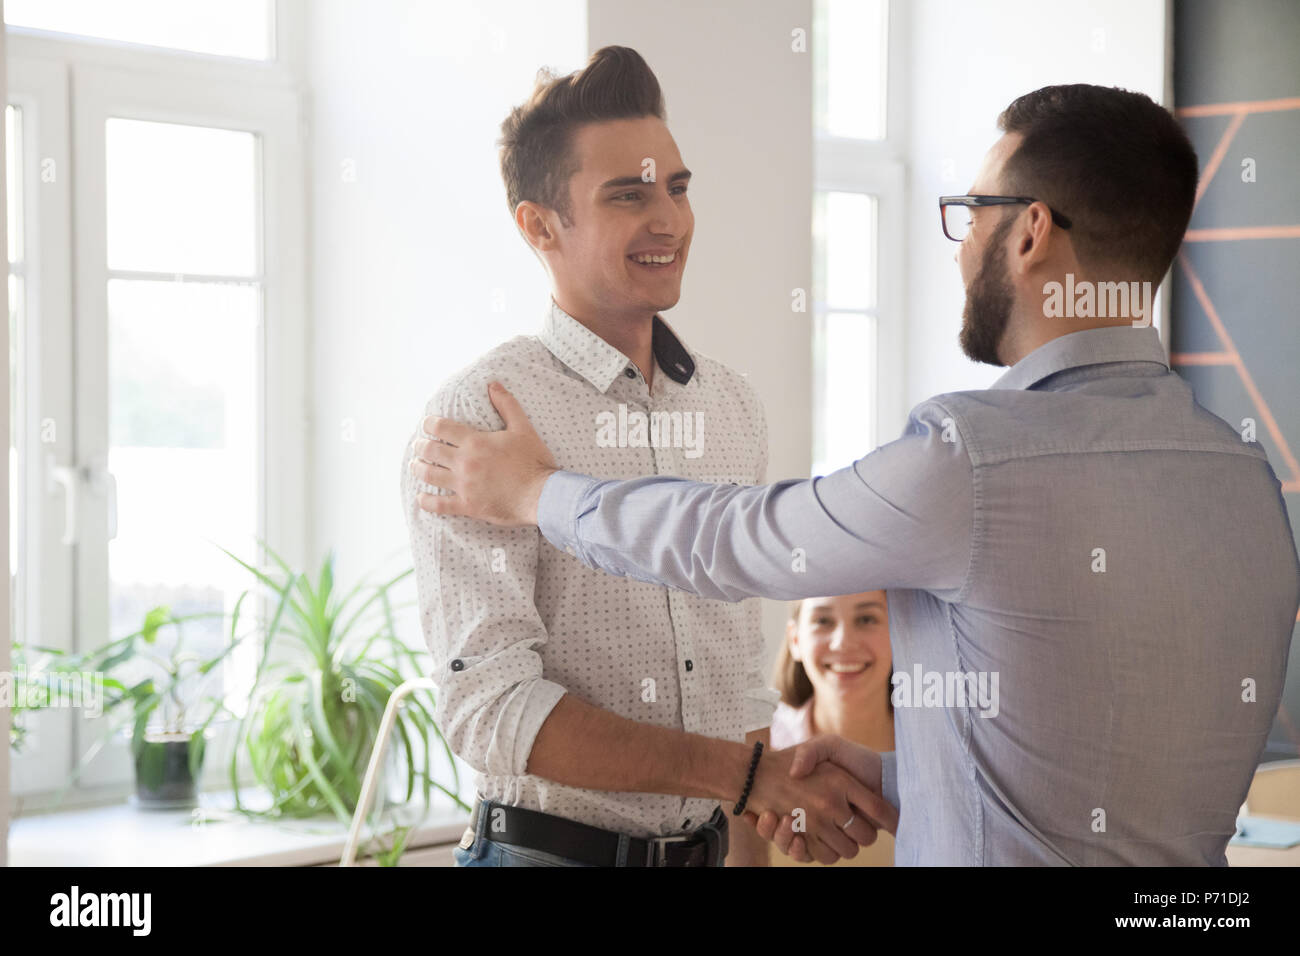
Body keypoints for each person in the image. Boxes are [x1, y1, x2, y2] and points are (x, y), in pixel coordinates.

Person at [408, 83, 1300, 865]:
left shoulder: (970, 459)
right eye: (629, 194)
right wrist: (888, 780)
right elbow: (1095, 767)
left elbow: (736, 541)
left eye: (972, 214)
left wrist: (536, 494)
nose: (959, 249)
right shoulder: (1246, 480)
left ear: (1030, 234)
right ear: (538, 225)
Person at [400, 45, 896, 868]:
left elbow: (735, 676)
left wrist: (757, 816)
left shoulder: (730, 406)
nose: (668, 219)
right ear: (539, 225)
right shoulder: (479, 414)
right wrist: (743, 777)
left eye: (677, 186)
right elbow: (490, 707)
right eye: (628, 195)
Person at [769, 593, 896, 867]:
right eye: (823, 620)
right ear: (795, 640)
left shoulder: (943, 749)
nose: (843, 642)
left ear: (900, 633)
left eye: (866, 619)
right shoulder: (762, 749)